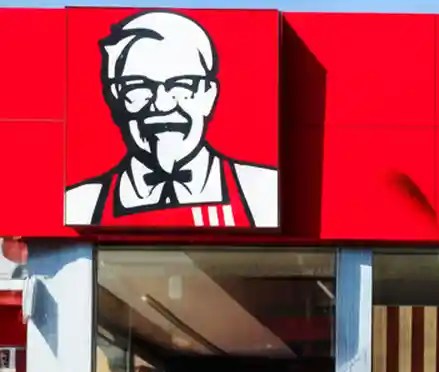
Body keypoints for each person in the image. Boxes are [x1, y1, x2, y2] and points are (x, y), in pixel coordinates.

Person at [64, 10, 278, 228]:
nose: (162, 104)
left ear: (209, 95)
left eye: (182, 85)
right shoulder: (82, 204)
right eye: (138, 86)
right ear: (115, 98)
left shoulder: (263, 192)